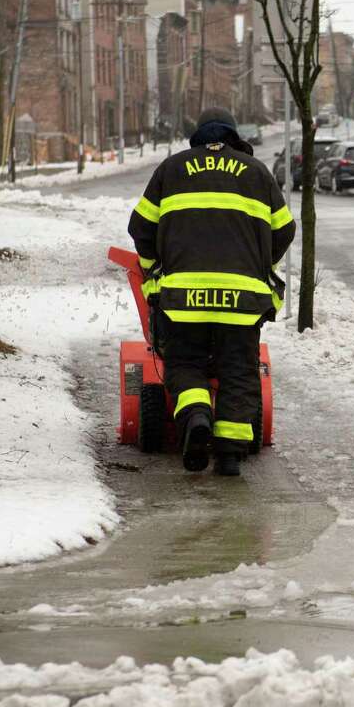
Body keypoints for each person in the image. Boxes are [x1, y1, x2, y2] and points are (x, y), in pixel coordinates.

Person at [128, 108, 295, 477]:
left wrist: (154, 270)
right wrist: (258, 261)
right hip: (242, 300)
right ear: (234, 137)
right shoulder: (257, 173)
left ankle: (197, 416)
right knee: (238, 369)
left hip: (183, 299)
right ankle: (230, 455)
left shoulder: (172, 169)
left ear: (198, 137)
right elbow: (284, 229)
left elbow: (140, 227)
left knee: (184, 363)